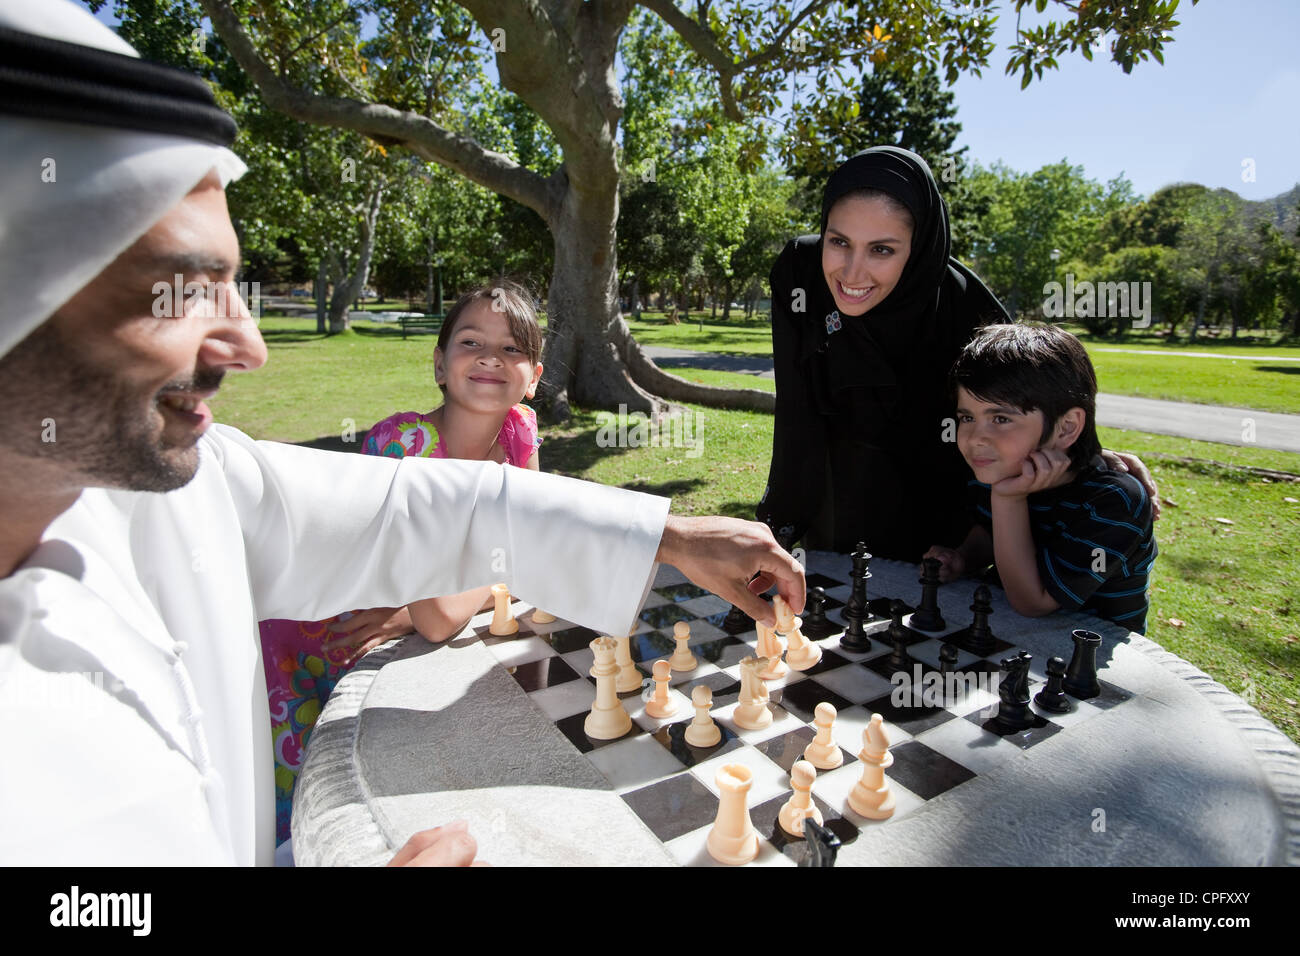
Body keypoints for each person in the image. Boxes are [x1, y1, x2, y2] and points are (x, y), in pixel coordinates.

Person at [0, 0, 803, 866]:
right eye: (182, 292)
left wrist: (671, 534)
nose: (251, 347)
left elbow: (425, 508)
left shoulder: (175, 487)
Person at [757, 146, 1157, 560]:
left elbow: (1027, 399)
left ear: (920, 246)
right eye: (839, 241)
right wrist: (777, 527)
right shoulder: (801, 272)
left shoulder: (965, 310)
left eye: (882, 250)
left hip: (945, 521)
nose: (852, 272)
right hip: (837, 496)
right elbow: (797, 406)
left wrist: (1083, 455)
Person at [258, 280, 546, 847]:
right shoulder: (406, 446)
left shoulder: (519, 432)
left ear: (534, 376)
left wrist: (430, 602)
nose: (491, 357)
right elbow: (441, 617)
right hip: (314, 638)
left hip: (387, 634)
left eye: (513, 348)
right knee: (308, 813)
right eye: (471, 342)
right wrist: (462, 589)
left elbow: (531, 545)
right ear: (440, 365)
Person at [924, 324, 1157, 634]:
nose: (975, 438)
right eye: (967, 417)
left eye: (1001, 418)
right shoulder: (998, 467)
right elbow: (993, 533)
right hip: (1012, 637)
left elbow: (1033, 603)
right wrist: (964, 558)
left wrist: (1008, 498)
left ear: (1066, 428)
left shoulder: (1115, 502)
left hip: (1089, 660)